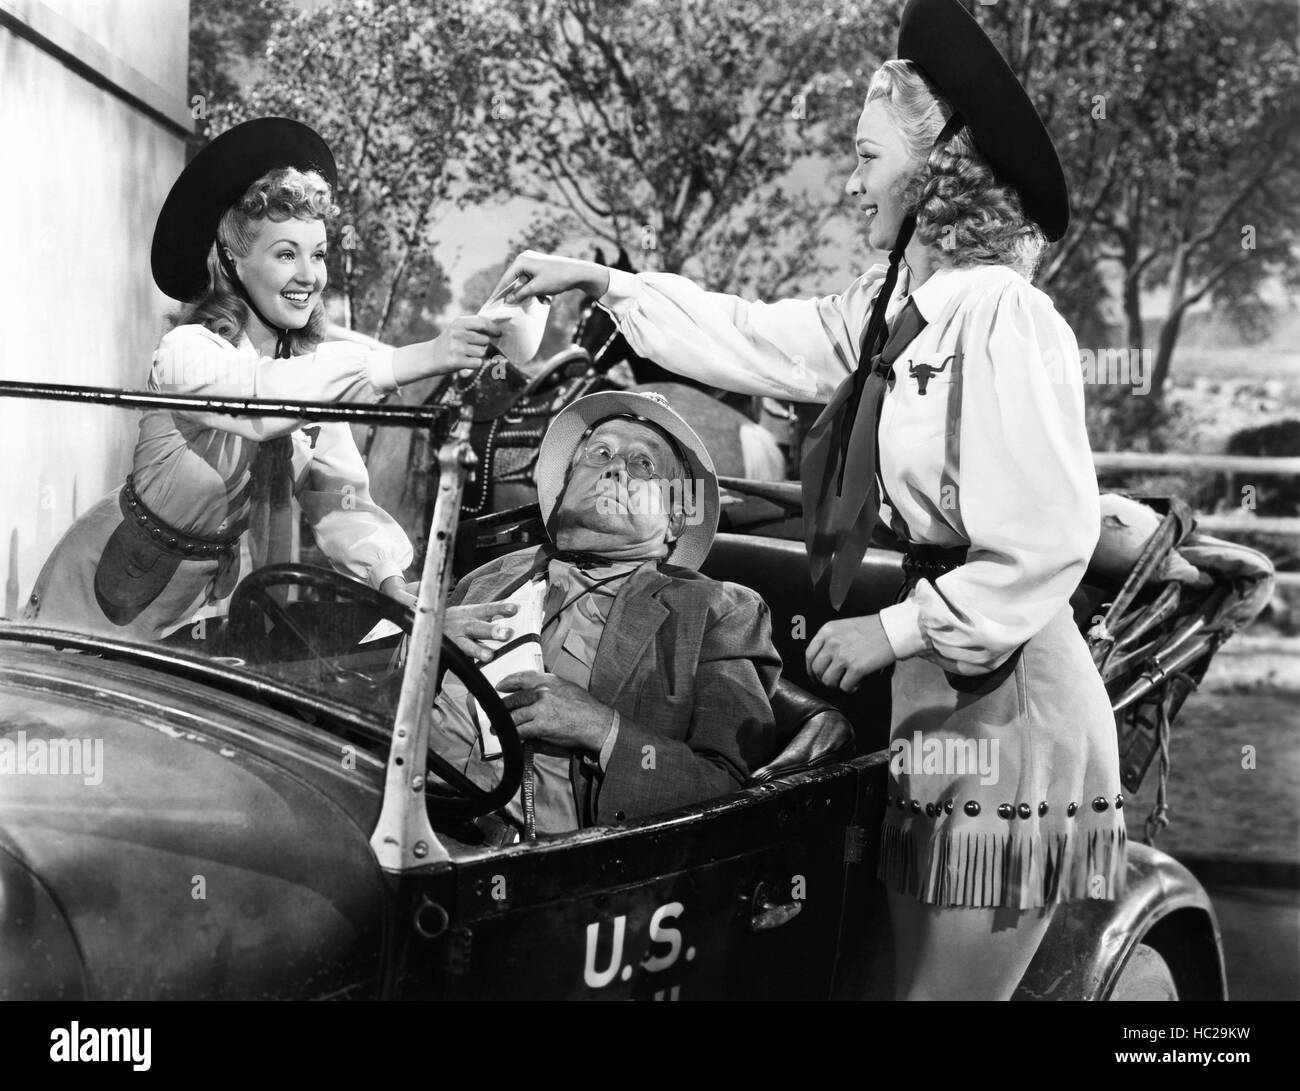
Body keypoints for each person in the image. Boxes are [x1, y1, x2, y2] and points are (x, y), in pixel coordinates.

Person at [484, 0, 1126, 999]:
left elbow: (1048, 537)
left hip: (1011, 705)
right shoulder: (892, 317)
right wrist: (599, 283)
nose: (852, 180)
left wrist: (894, 629)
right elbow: (749, 334)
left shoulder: (1004, 311)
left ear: (938, 164)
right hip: (946, 695)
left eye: (867, 156)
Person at [22, 117, 500, 642]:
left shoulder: (307, 375)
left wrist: (390, 583)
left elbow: (338, 493)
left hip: (200, 605)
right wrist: (419, 357)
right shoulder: (188, 353)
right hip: (102, 594)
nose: (309, 276)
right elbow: (257, 402)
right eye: (285, 254)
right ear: (232, 260)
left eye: (317, 254)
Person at [433, 389, 780, 837]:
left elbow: (729, 793)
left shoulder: (717, 611)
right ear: (565, 489)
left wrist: (600, 727)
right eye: (600, 453)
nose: (615, 467)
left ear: (675, 520)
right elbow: (365, 680)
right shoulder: (495, 573)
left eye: (643, 465)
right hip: (396, 796)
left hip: (524, 858)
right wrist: (422, 637)